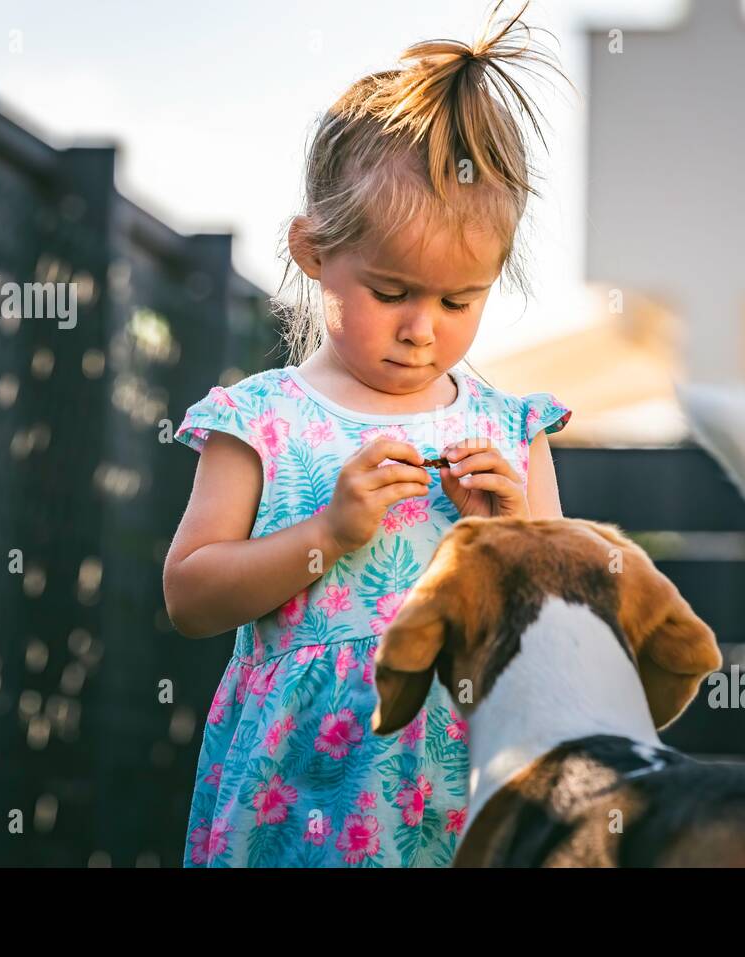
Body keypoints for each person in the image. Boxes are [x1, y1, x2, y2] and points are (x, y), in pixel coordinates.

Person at [163, 0, 574, 867]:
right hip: (293, 807)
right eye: (392, 292)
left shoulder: (513, 430)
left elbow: (554, 640)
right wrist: (325, 535)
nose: (423, 327)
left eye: (458, 301)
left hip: (460, 798)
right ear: (313, 252)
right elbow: (190, 596)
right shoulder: (263, 421)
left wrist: (502, 540)